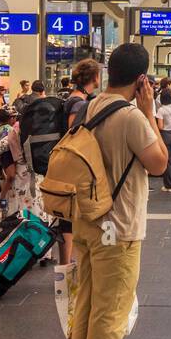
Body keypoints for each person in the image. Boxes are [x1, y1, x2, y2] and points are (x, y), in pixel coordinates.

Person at [70, 42, 167, 339]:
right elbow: (159, 164)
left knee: (88, 305)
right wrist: (149, 110)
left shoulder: (88, 106)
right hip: (120, 225)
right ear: (142, 79)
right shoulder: (131, 117)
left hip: (87, 221)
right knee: (111, 309)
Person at [58, 59, 102, 264]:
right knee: (71, 215)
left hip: (70, 163)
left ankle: (70, 264)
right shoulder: (79, 103)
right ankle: (69, 266)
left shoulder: (75, 99)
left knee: (71, 215)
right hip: (73, 164)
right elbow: (73, 134)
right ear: (94, 77)